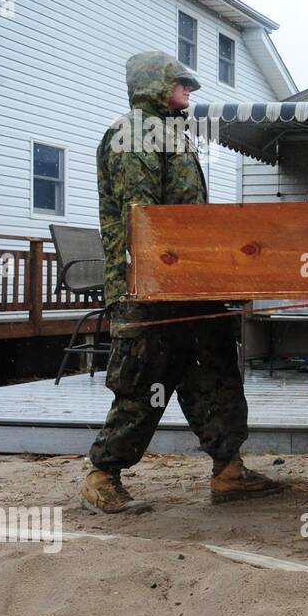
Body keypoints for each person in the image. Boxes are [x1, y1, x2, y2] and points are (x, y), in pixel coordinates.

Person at [80, 50, 285, 513]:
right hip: (149, 289)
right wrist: (164, 276)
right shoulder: (133, 132)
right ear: (155, 84)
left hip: (188, 284)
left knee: (214, 374)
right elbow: (145, 217)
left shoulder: (170, 133)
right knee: (141, 383)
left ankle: (228, 471)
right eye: (182, 83)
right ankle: (101, 475)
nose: (190, 91)